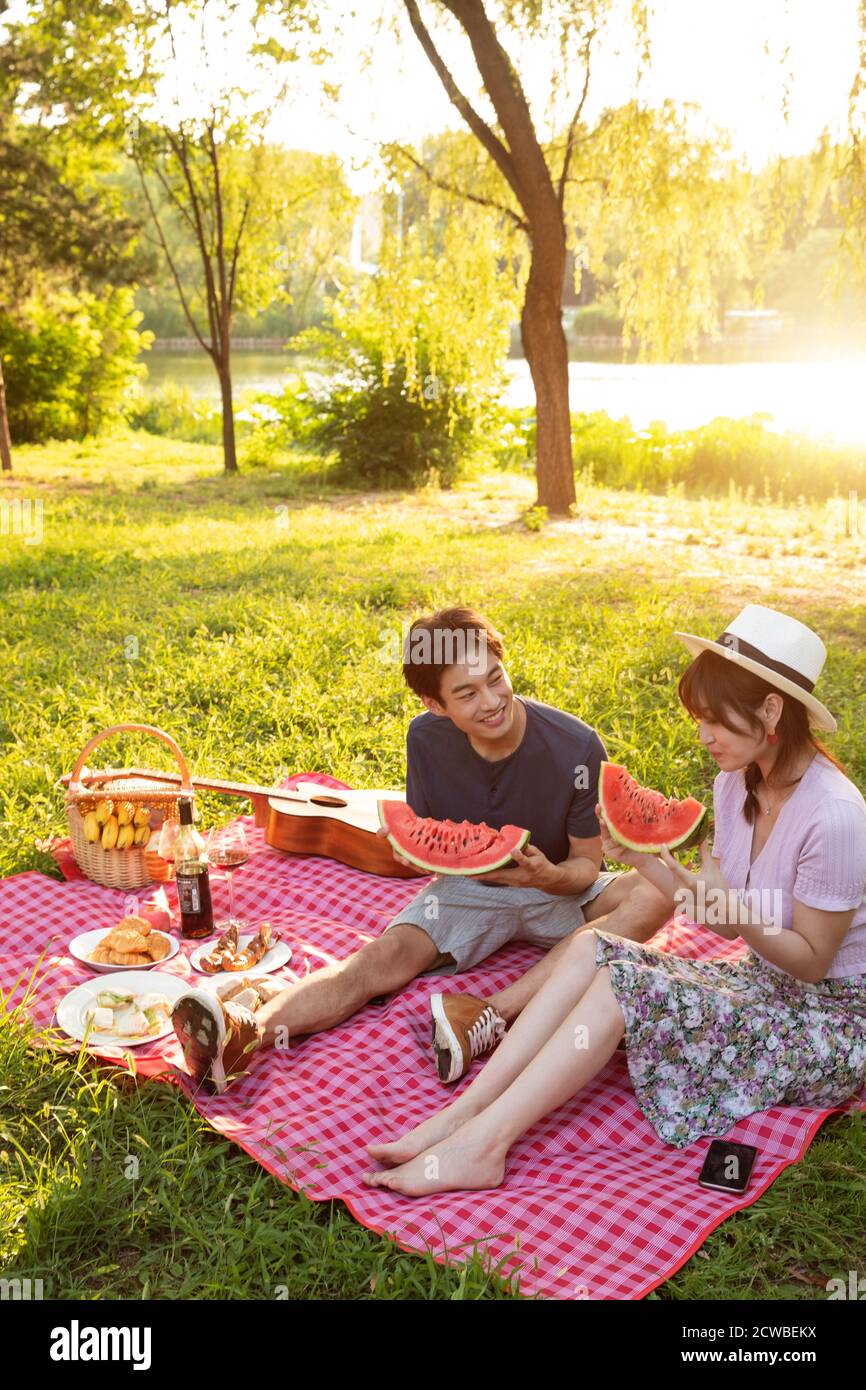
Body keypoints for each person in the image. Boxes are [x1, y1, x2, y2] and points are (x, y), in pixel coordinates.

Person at [362, 604, 866, 1195]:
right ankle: (460, 1114)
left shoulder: (834, 817)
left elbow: (807, 960)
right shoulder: (735, 782)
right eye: (699, 718)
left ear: (772, 709)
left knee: (617, 983)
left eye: (715, 721)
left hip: (828, 1022)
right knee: (592, 949)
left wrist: (725, 908)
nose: (703, 736)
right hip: (759, 982)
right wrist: (646, 859)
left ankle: (484, 1146)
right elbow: (727, 926)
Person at [170, 607, 672, 1094]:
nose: (492, 700)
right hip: (467, 890)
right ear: (437, 705)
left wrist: (547, 878)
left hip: (559, 892)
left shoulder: (575, 745)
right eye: (467, 694)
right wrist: (415, 855)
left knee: (655, 890)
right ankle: (245, 1034)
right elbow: (428, 837)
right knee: (376, 961)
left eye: (496, 678)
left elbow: (586, 865)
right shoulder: (425, 738)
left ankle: (488, 1012)